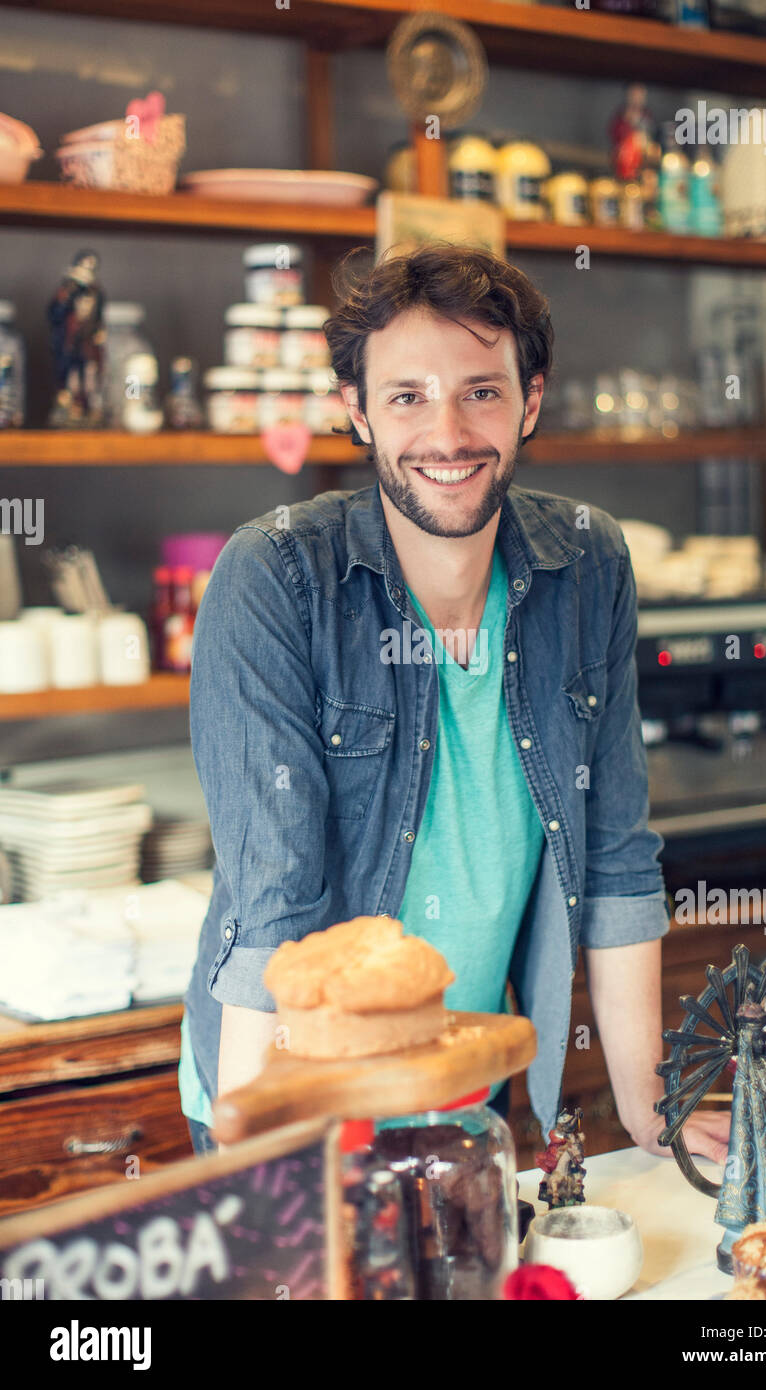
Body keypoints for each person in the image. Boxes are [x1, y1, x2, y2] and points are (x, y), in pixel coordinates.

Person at [179, 242, 730, 1169]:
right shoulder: (276, 577)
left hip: (466, 1094)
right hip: (290, 1097)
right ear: (355, 410)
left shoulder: (587, 560)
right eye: (406, 397)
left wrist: (647, 1105)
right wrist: (262, 1167)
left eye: (480, 390)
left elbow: (616, 851)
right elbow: (275, 900)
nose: (448, 433)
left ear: (530, 400)